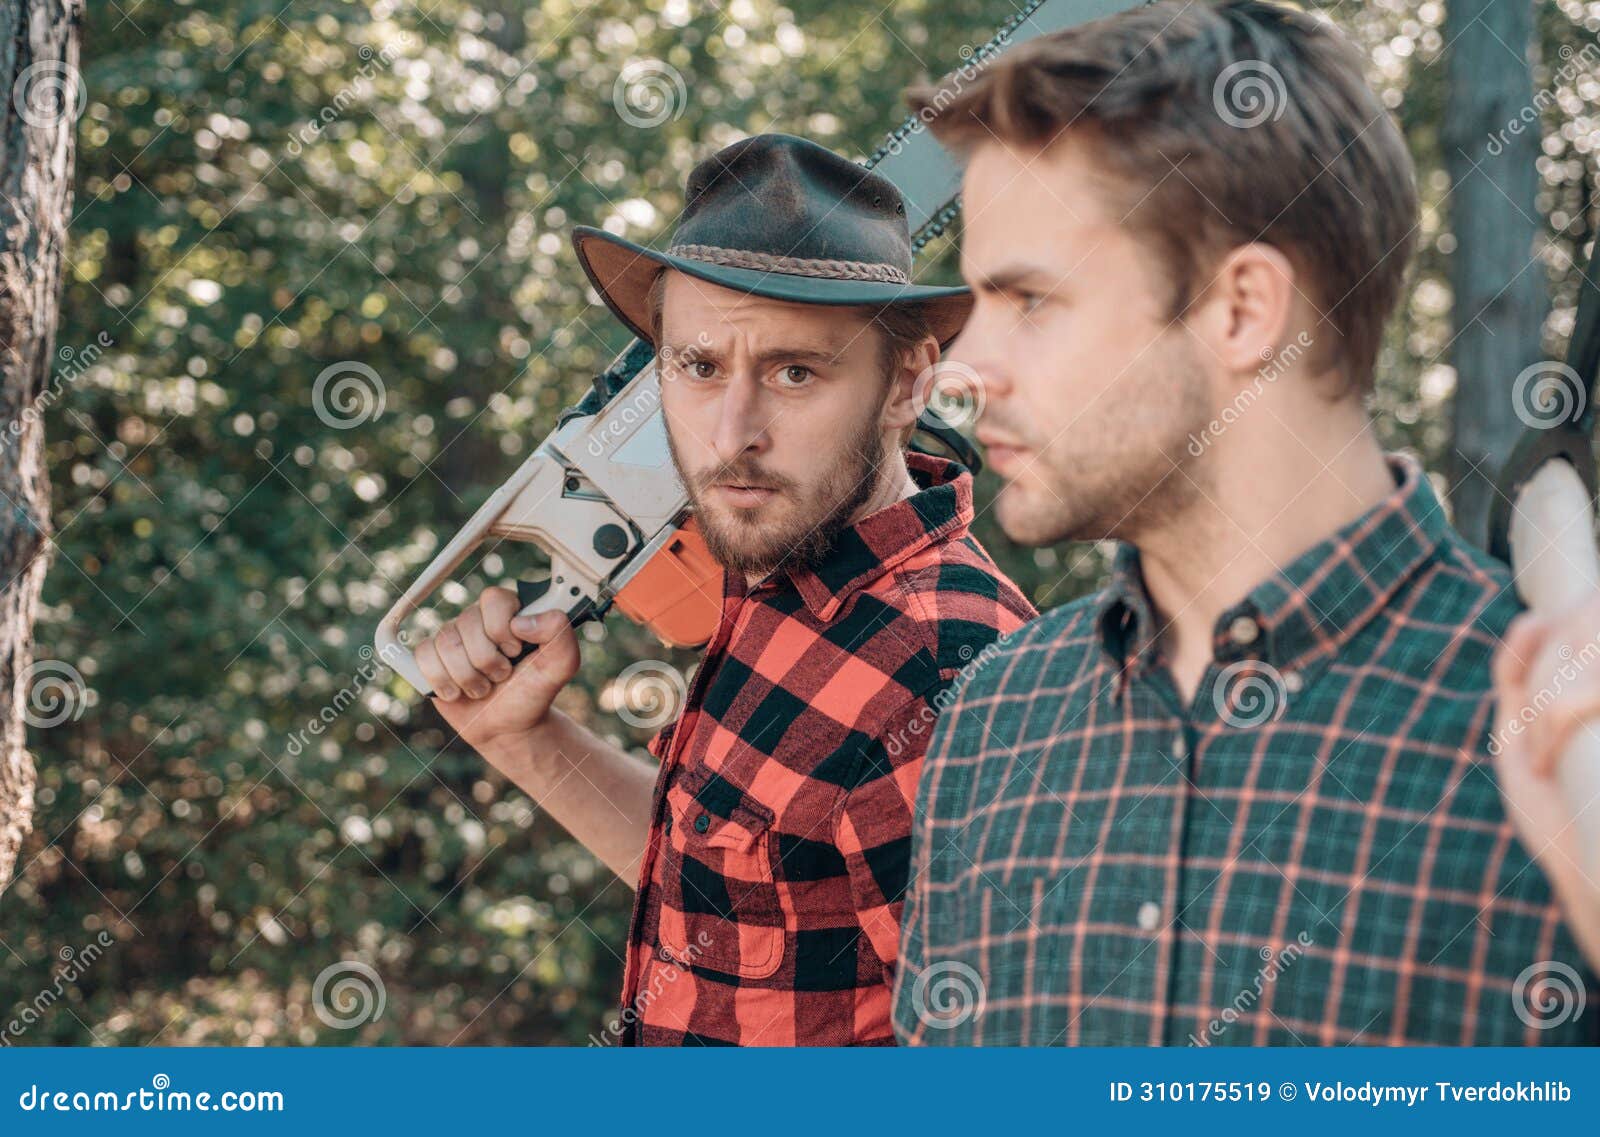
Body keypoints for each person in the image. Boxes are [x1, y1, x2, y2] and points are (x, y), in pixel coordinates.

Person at [889, 0, 1599, 1045]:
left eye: (1028, 300)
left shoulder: (1557, 741)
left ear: (1241, 310)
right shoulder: (992, 720)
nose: (962, 367)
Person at [412, 134, 1035, 1045]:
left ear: (907, 383)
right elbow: (746, 903)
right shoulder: (780, 574)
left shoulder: (949, 673)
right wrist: (524, 739)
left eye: (794, 371)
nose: (732, 433)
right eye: (699, 367)